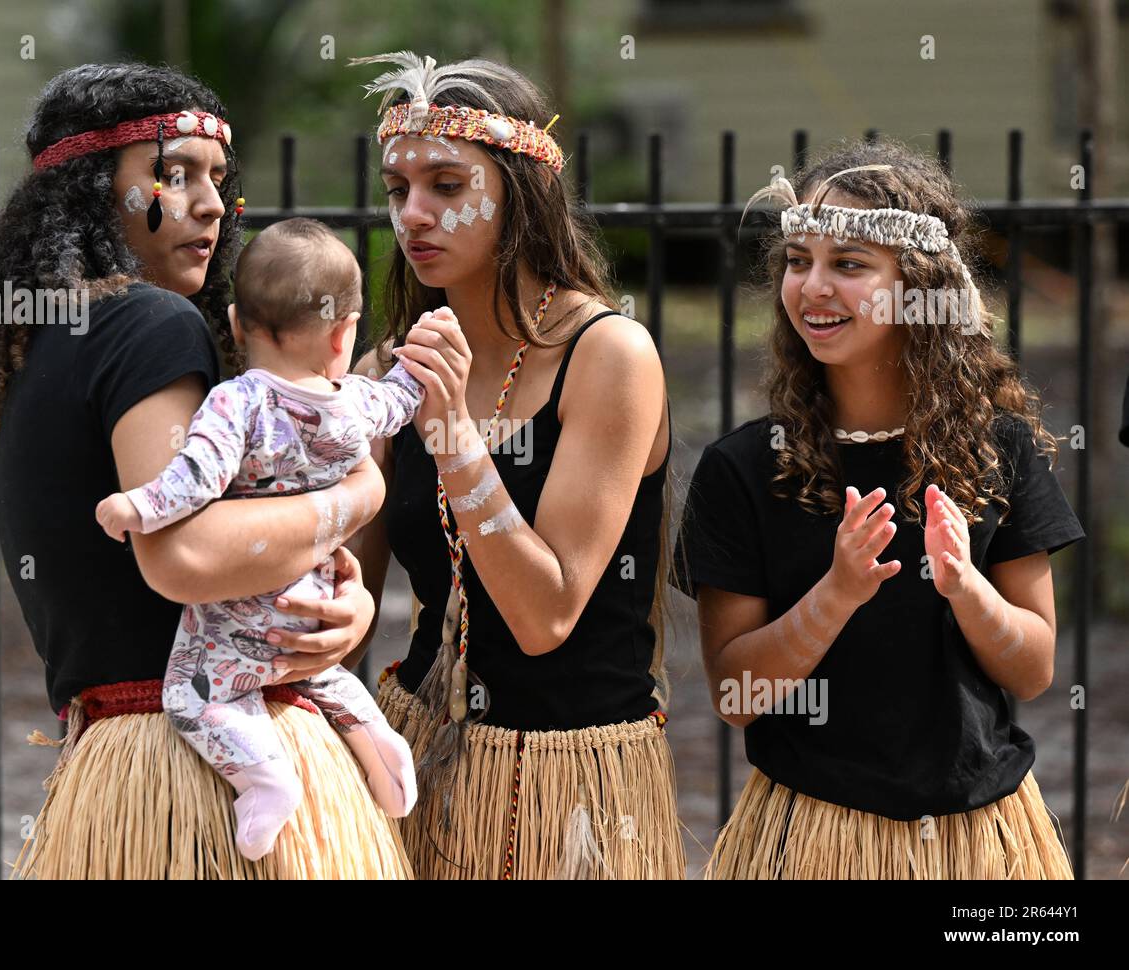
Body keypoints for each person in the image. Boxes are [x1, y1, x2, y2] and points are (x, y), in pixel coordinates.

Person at [0, 63, 410, 878]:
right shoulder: (148, 325)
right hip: (200, 769)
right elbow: (188, 558)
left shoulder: (46, 347)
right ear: (93, 190)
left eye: (216, 180)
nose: (209, 203)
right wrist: (358, 492)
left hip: (116, 775)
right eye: (172, 174)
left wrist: (345, 605)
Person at [677, 137, 1082, 879]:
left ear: (918, 288)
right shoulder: (739, 469)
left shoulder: (998, 451)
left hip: (980, 839)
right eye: (800, 261)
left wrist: (967, 588)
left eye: (850, 264)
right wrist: (835, 595)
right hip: (808, 832)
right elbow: (735, 695)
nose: (814, 286)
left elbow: (1033, 670)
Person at [343, 51, 686, 879]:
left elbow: (547, 615)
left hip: (577, 781)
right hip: (417, 760)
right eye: (398, 191)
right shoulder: (388, 371)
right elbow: (344, 599)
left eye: (448, 187)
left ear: (520, 194)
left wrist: (457, 438)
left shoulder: (609, 355)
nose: (413, 214)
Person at [94, 218, 424, 859]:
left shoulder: (235, 401)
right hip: (314, 604)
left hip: (239, 614)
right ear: (342, 334)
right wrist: (418, 357)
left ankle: (264, 777)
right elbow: (401, 400)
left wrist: (138, 506)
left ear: (238, 322)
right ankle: (379, 741)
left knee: (195, 698)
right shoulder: (353, 401)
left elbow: (192, 479)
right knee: (324, 681)